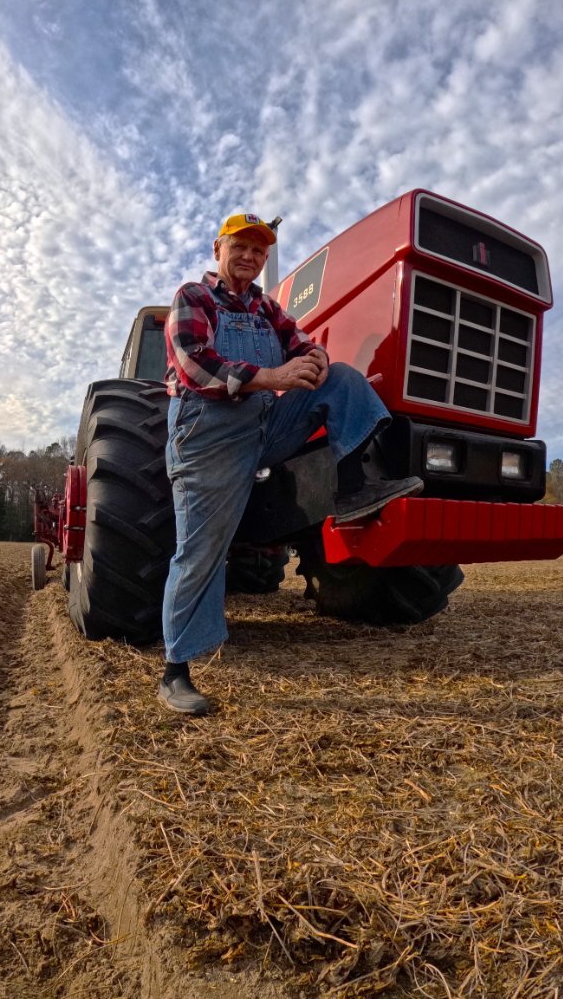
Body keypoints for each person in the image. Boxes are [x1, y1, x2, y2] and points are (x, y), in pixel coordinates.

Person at [158, 212, 423, 715]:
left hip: (262, 426)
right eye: (240, 246)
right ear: (218, 248)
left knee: (341, 378)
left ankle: (351, 490)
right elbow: (193, 363)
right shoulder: (194, 297)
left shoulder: (266, 308)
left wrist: (314, 359)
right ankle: (176, 671)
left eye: (259, 250)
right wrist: (272, 375)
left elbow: (302, 342)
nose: (250, 256)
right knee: (200, 550)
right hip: (208, 436)